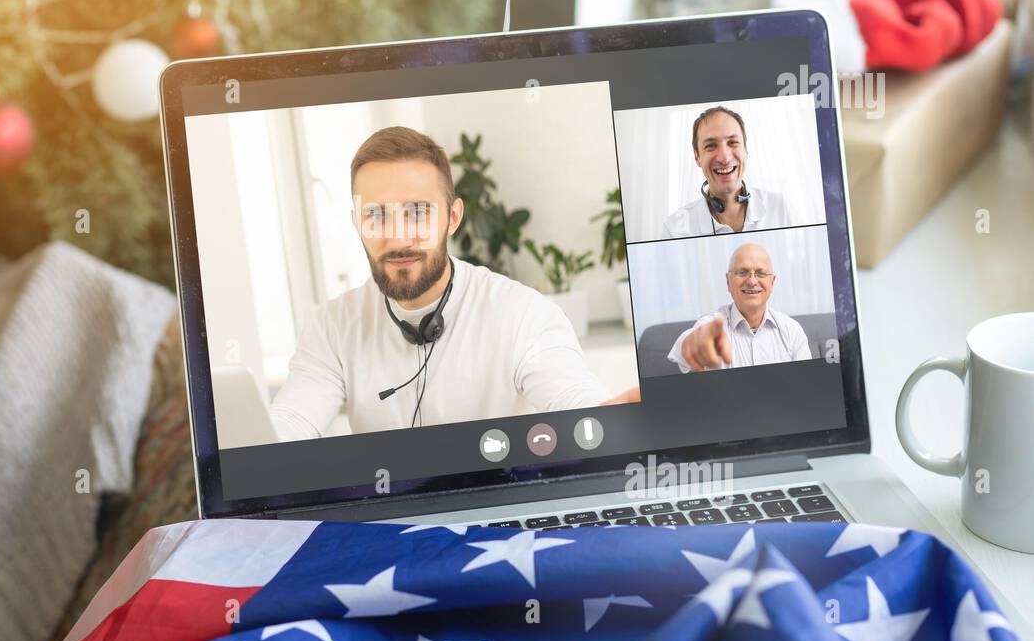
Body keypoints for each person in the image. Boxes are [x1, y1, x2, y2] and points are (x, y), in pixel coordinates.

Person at [269, 126, 639, 441]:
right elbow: (292, 423)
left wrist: (606, 417)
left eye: (417, 212)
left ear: (453, 217)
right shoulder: (332, 327)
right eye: (376, 215)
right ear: (356, 224)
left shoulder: (522, 312)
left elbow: (573, 396)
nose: (399, 238)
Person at [668, 242, 811, 373]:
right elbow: (691, 343)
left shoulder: (792, 331)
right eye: (742, 272)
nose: (752, 281)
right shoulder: (712, 327)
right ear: (728, 282)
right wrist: (691, 343)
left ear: (772, 282)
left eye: (760, 273)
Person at [661, 106, 799, 238]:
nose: (725, 158)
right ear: (697, 157)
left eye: (733, 142)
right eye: (710, 146)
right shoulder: (674, 229)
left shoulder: (781, 209)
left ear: (746, 150)